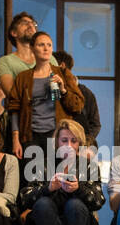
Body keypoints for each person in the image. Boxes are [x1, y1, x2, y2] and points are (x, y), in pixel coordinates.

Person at [18, 119, 104, 225]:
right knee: (43, 203)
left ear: (80, 144)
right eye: (64, 140)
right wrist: (48, 188)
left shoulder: (89, 166)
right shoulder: (43, 164)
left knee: (75, 204)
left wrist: (79, 189)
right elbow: (24, 198)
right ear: (57, 142)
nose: (69, 146)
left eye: (73, 141)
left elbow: (98, 201)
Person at [5, 31, 84, 162]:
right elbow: (14, 109)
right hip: (30, 134)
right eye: (41, 44)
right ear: (32, 48)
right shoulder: (23, 77)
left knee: (56, 174)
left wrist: (63, 90)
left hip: (57, 134)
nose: (46, 48)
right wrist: (15, 139)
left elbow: (78, 105)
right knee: (32, 175)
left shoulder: (63, 73)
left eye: (49, 45)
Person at [0, 11, 57, 95]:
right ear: (14, 33)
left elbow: (57, 89)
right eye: (25, 23)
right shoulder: (5, 61)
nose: (30, 25)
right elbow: (11, 93)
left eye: (33, 24)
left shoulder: (49, 57)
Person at [55, 50, 101, 145]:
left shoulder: (85, 93)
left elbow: (95, 124)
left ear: (61, 66)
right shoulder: (51, 89)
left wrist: (85, 142)